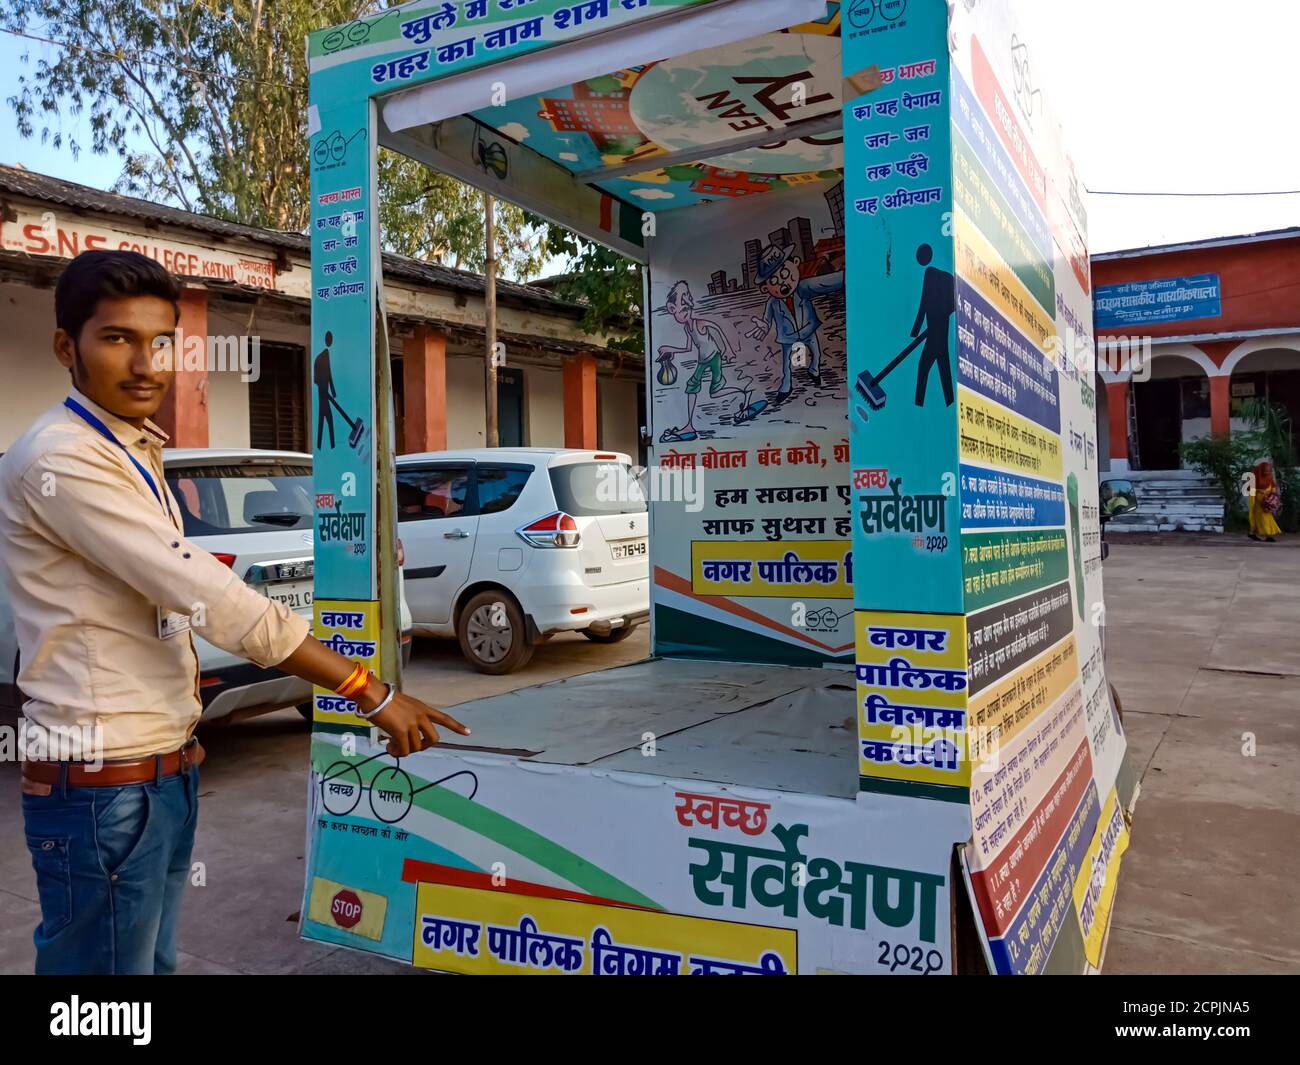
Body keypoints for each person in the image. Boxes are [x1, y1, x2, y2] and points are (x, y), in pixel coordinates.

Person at [0, 250, 469, 975]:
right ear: (67, 345)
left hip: (153, 774)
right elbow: (211, 597)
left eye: (160, 342)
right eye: (117, 338)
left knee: (144, 971)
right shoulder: (61, 460)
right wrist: (365, 689)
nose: (145, 363)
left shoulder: (128, 448)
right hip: (103, 788)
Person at [746, 244, 844, 402]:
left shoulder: (803, 287)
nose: (783, 284)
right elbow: (766, 320)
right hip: (788, 337)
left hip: (808, 329)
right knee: (786, 365)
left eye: (785, 273)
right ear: (765, 288)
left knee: (816, 354)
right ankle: (786, 386)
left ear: (796, 263)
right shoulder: (771, 303)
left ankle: (814, 371)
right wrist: (763, 326)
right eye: (774, 281)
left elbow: (824, 283)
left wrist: (848, 275)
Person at [1248, 460, 1282, 542]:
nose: (1267, 472)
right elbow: (1251, 490)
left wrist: (1272, 497)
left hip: (1267, 502)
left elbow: (1272, 486)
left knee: (1264, 518)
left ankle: (1252, 533)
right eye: (1265, 471)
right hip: (1259, 503)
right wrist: (1257, 494)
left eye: (1268, 471)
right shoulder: (1256, 477)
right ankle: (1268, 535)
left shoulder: (1269, 477)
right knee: (1264, 518)